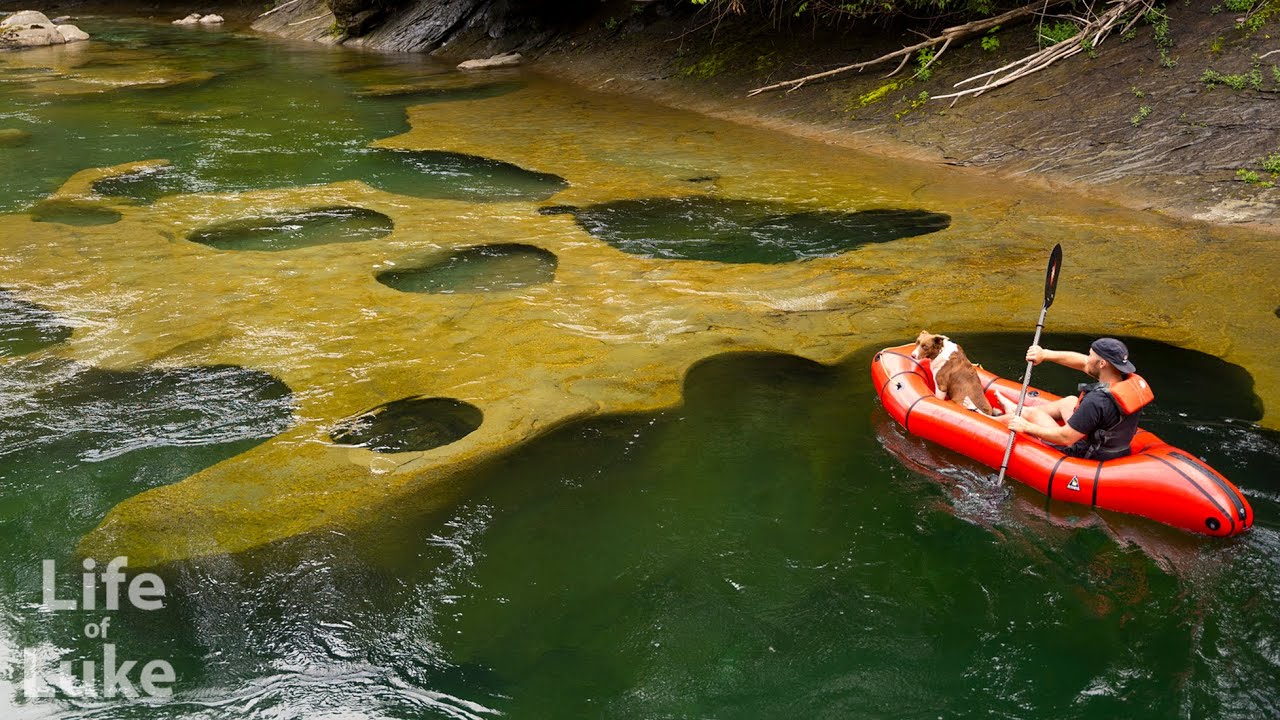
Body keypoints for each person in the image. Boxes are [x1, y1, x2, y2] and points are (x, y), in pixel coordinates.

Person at [995, 337, 1154, 461]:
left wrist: (1027, 427)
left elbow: (1065, 438)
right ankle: (1016, 410)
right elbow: (1083, 363)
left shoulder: (1097, 400)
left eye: (1090, 355)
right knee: (1070, 401)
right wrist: (1045, 354)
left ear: (1102, 363)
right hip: (1113, 447)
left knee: (1032, 416)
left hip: (1090, 454)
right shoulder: (1123, 379)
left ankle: (991, 416)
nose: (1087, 359)